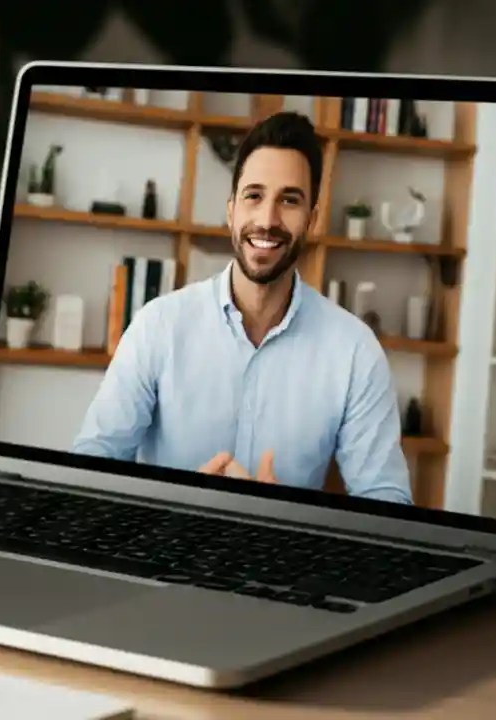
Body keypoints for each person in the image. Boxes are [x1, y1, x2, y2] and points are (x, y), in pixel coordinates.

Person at [71, 111, 412, 505]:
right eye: (254, 196)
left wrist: (287, 520)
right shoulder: (158, 326)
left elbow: (386, 500)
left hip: (286, 557)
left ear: (312, 220)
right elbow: (89, 469)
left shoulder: (355, 350)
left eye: (289, 200)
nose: (267, 220)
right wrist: (172, 506)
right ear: (231, 210)